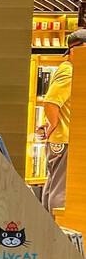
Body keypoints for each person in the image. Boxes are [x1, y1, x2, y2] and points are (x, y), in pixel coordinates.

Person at [39, 17, 86, 211]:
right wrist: (54, 125)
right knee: (61, 191)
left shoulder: (72, 70)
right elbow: (51, 101)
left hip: (63, 139)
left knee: (54, 186)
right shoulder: (69, 71)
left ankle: (50, 228)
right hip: (64, 139)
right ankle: (59, 233)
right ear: (78, 49)